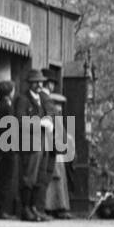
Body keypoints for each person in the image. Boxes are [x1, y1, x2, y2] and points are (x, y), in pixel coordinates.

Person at [16, 67, 52, 221]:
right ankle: (26, 210)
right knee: (28, 177)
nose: (39, 85)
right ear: (30, 84)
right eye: (36, 82)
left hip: (42, 143)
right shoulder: (23, 100)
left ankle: (34, 208)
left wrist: (49, 121)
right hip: (29, 144)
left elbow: (50, 113)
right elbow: (20, 121)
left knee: (39, 177)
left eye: (41, 82)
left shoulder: (41, 99)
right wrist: (40, 124)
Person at [0, 79, 20, 219]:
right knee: (6, 179)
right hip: (7, 148)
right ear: (10, 93)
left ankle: (0, 209)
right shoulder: (8, 107)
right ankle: (2, 210)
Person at [41, 88, 71, 217]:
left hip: (56, 148)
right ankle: (55, 206)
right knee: (55, 177)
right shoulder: (52, 116)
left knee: (57, 178)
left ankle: (58, 206)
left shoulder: (54, 116)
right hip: (53, 148)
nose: (59, 108)